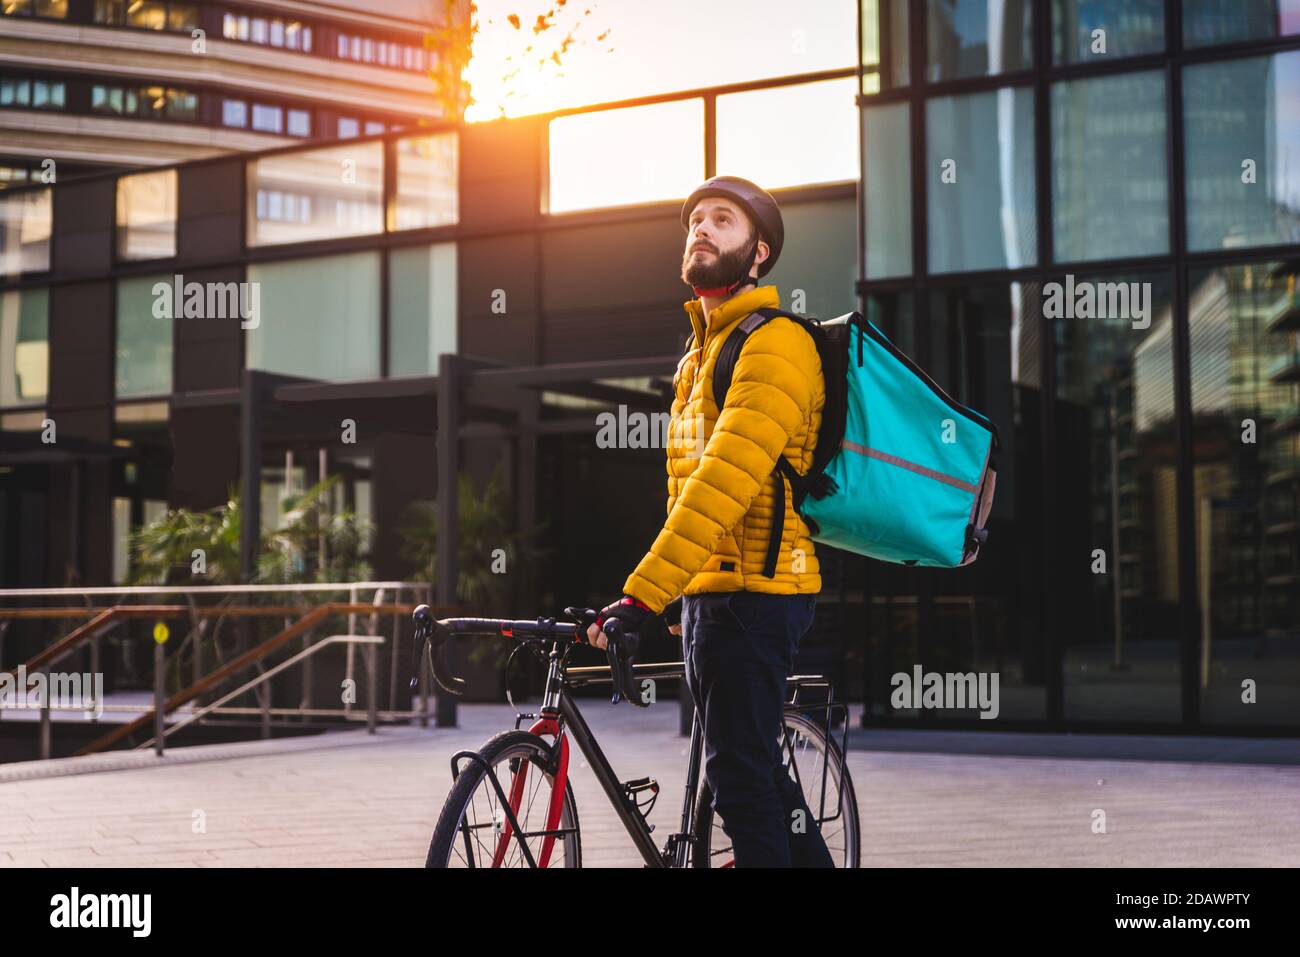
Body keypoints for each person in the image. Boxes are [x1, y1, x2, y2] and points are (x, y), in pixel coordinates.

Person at [586, 175, 833, 867]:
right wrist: (681, 591)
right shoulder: (699, 355)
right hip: (715, 594)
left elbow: (723, 482)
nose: (700, 227)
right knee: (755, 775)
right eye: (694, 219)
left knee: (741, 782)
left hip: (761, 596)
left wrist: (644, 592)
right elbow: (685, 487)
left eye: (721, 220)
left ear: (758, 254)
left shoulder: (776, 345)